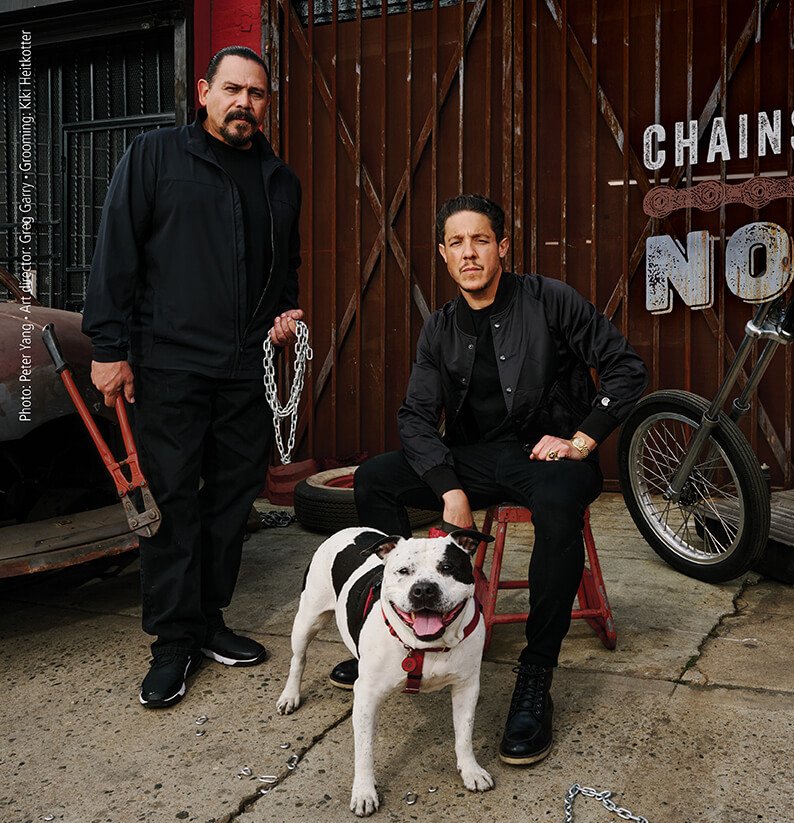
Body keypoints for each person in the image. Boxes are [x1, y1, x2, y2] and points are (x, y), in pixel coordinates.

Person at [346, 194, 647, 765]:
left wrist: (581, 440)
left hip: (548, 458)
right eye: (456, 243)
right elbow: (415, 417)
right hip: (473, 462)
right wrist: (448, 488)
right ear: (443, 254)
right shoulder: (439, 327)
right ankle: (383, 635)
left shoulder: (549, 300)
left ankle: (535, 680)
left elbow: (627, 367)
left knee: (559, 509)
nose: (469, 253)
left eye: (480, 240)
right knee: (376, 480)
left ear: (502, 247)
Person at [82, 46, 304, 709]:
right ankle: (172, 641)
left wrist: (283, 314)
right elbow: (115, 248)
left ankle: (209, 620)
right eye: (232, 89)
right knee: (174, 501)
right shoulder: (156, 157)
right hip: (171, 361)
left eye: (257, 94)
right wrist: (108, 345)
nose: (244, 103)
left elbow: (284, 266)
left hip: (245, 367)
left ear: (267, 104)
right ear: (204, 92)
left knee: (233, 501)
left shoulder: (279, 179)